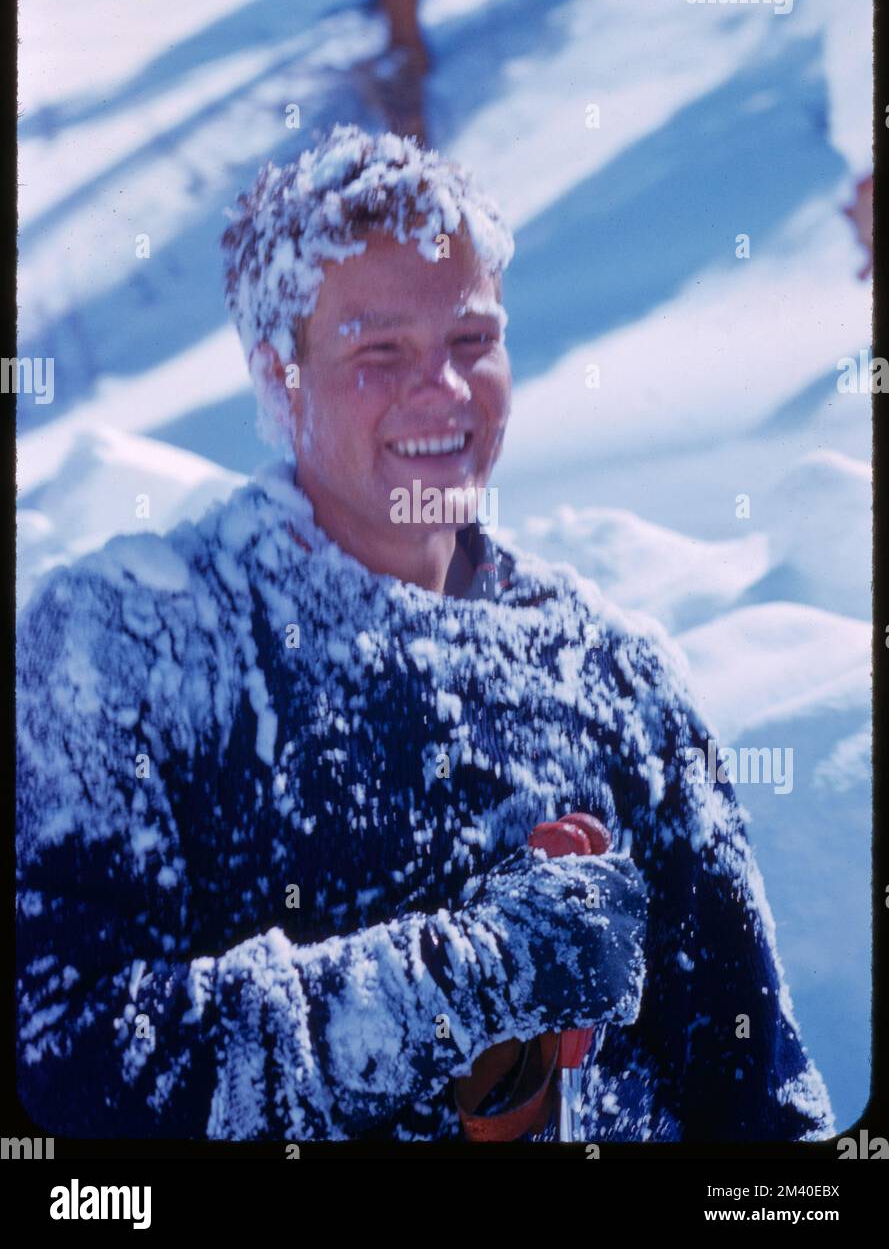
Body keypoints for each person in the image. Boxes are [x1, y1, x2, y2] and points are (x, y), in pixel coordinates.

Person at [16, 124, 835, 1143]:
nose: (442, 389)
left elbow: (764, 1110)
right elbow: (69, 1066)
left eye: (470, 341)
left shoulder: (617, 676)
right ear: (280, 372)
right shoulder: (127, 644)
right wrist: (479, 970)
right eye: (379, 350)